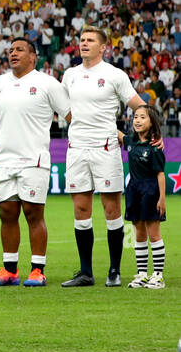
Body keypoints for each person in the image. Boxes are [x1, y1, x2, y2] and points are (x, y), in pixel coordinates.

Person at [0, 38, 72, 287]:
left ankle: (37, 270)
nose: (13, 53)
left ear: (33, 57)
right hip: (4, 159)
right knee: (7, 213)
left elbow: (72, 115)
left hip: (34, 158)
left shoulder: (47, 83)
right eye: (10, 50)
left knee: (33, 213)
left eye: (19, 49)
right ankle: (9, 270)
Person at [59, 27, 149, 287]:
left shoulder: (114, 75)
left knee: (112, 210)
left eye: (90, 41)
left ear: (103, 47)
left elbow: (138, 105)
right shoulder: (70, 75)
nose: (84, 44)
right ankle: (86, 272)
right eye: (82, 40)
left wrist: (146, 130)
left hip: (105, 148)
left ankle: (114, 270)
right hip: (76, 148)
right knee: (81, 210)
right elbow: (64, 108)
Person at [122, 106, 167, 288]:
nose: (137, 120)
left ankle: (158, 275)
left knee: (154, 233)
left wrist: (162, 198)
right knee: (138, 233)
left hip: (151, 191)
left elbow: (160, 175)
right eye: (135, 117)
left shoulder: (155, 147)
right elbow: (114, 132)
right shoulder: (131, 141)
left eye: (143, 117)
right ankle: (141, 274)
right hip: (133, 190)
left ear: (152, 123)